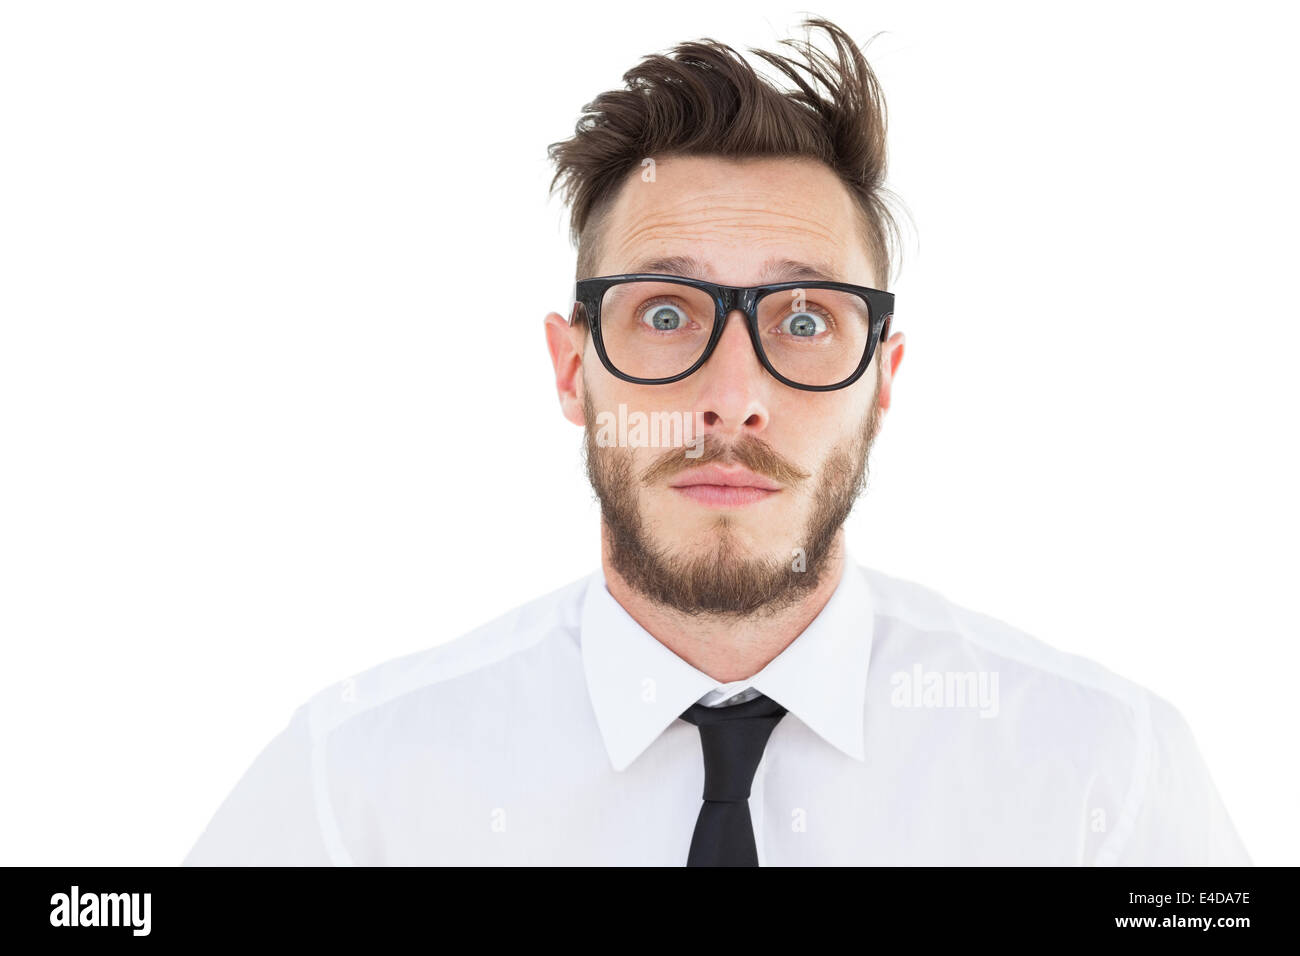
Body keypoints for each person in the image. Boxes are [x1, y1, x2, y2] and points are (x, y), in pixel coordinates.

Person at [182, 16, 1250, 866]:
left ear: (882, 380)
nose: (732, 398)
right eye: (662, 314)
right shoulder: (353, 790)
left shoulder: (1104, 782)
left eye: (801, 320)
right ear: (570, 368)